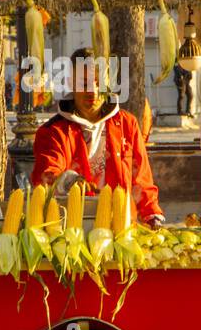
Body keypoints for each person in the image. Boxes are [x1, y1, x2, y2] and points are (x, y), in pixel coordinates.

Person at [31, 47, 164, 227]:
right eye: (84, 83)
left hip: (123, 227)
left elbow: (141, 179)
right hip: (73, 229)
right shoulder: (53, 131)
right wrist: (69, 181)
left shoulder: (127, 124)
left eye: (97, 82)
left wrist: (153, 216)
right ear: (70, 83)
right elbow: (45, 175)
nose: (92, 91)